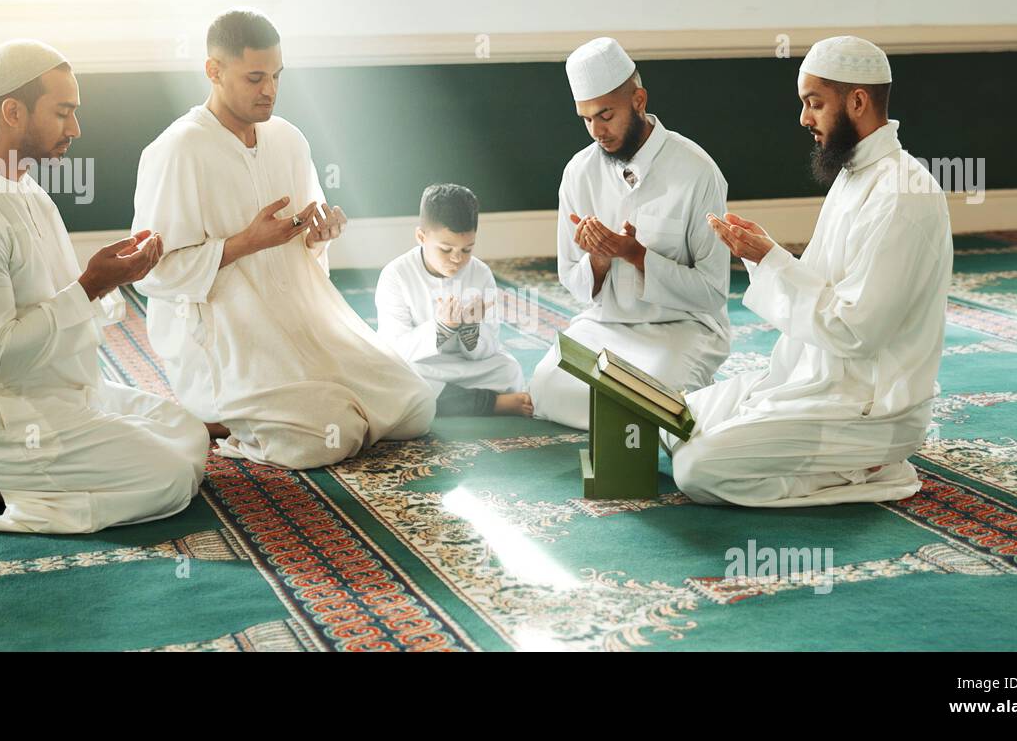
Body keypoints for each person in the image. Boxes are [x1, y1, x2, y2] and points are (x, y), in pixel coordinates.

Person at [0, 39, 210, 533]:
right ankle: (19, 494)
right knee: (173, 477)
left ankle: (10, 480)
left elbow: (56, 299)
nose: (76, 128)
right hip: (2, 423)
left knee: (190, 434)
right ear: (12, 111)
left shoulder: (23, 186)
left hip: (59, 393)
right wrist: (91, 285)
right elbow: (0, 356)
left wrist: (115, 275)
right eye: (63, 112)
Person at [132, 10, 435, 469]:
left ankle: (277, 407)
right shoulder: (178, 150)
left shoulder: (288, 138)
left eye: (276, 76)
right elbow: (153, 274)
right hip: (227, 339)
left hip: (300, 316)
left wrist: (319, 236)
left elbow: (305, 240)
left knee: (414, 403)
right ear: (213, 71)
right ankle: (217, 417)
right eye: (255, 78)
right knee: (327, 436)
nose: (269, 90)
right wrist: (245, 243)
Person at [666, 35, 953, 507]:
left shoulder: (903, 194)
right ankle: (815, 452)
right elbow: (826, 286)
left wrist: (773, 261)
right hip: (817, 380)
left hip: (872, 410)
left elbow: (856, 330)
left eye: (814, 103)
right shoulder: (855, 173)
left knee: (698, 469)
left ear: (857, 101)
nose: (804, 118)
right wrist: (765, 254)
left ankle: (869, 470)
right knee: (676, 419)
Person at [528, 37, 731, 430]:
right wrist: (600, 259)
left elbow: (712, 292)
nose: (596, 131)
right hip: (606, 326)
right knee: (546, 391)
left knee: (655, 408)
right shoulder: (578, 173)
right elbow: (572, 280)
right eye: (585, 119)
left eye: (605, 115)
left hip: (682, 328)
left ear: (638, 100)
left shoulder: (697, 171)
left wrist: (637, 255)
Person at [375, 183, 531, 417]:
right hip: (420, 366)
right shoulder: (396, 274)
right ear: (421, 237)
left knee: (509, 370)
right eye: (446, 250)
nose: (457, 259)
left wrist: (470, 329)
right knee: (388, 376)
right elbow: (395, 349)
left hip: (466, 367)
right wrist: (442, 327)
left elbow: (490, 348)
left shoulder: (481, 274)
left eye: (467, 250)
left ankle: (454, 402)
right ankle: (492, 404)